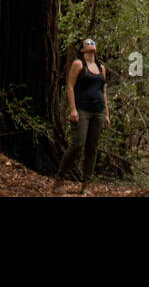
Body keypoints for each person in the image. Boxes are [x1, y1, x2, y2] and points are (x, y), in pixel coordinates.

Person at [53, 38, 110, 193]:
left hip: (98, 111)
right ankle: (59, 179)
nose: (92, 45)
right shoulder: (78, 64)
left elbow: (103, 91)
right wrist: (73, 109)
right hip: (82, 110)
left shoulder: (101, 67)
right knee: (77, 145)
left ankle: (86, 185)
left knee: (92, 148)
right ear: (82, 50)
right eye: (88, 43)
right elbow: (70, 87)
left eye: (94, 43)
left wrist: (107, 114)